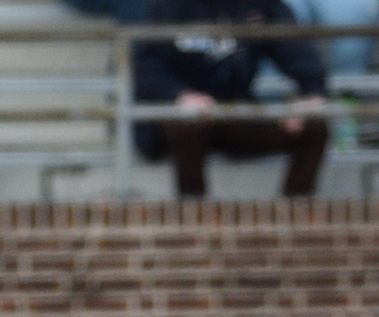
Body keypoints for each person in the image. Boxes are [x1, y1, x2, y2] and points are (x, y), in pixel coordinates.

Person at [134, 0, 333, 198]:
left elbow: (296, 50)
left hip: (234, 110)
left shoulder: (263, 6)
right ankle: (193, 219)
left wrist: (310, 94)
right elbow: (146, 66)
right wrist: (180, 95)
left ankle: (292, 219)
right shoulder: (166, 6)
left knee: (313, 125)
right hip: (179, 117)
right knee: (186, 126)